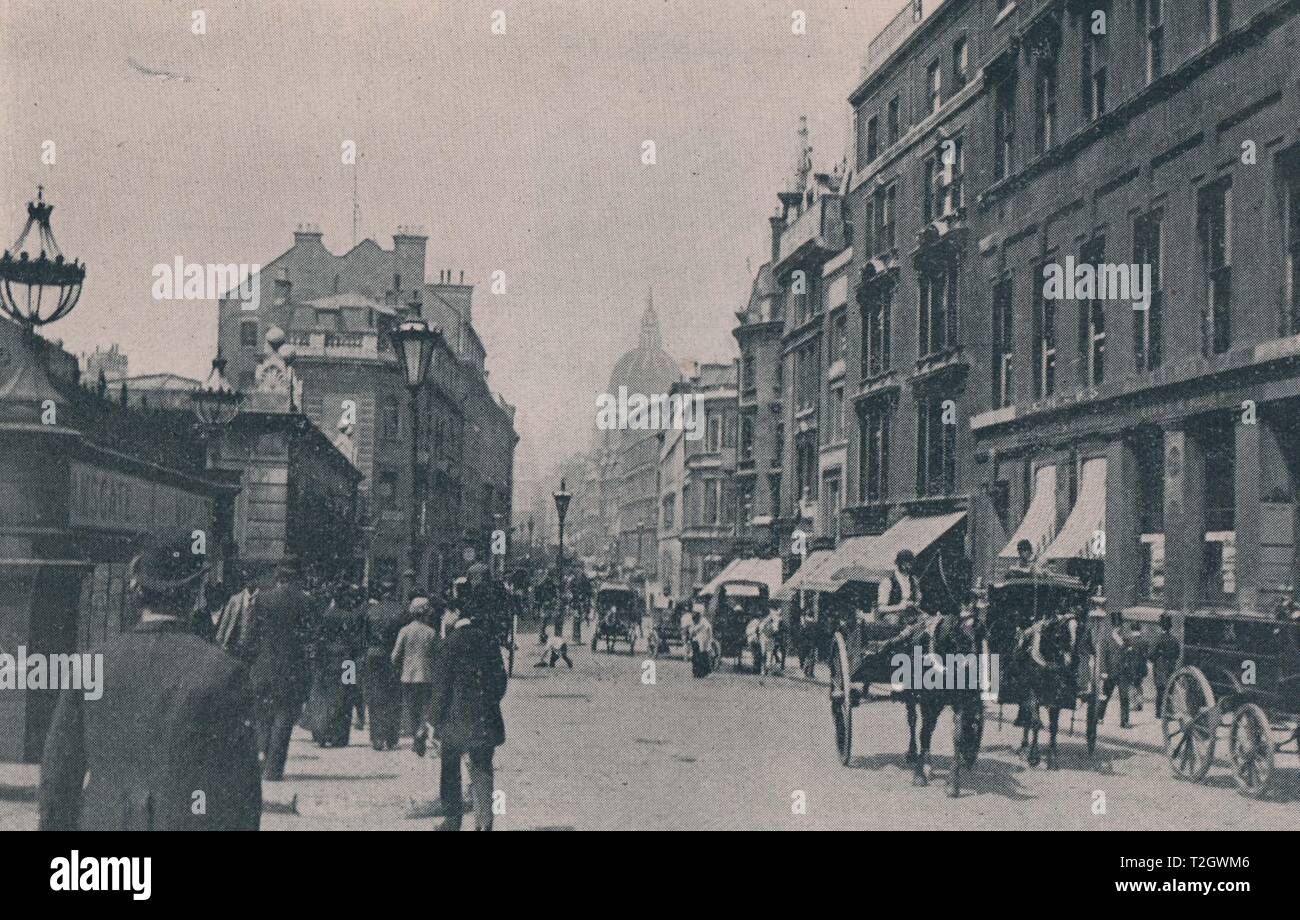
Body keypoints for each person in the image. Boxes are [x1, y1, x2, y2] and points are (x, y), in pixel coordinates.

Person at [40, 533, 261, 830]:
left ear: (136, 588)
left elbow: (58, 779)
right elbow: (241, 790)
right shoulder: (224, 673)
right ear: (195, 592)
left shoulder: (89, 666)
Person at [429, 593, 508, 831]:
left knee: (450, 769)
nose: (443, 617)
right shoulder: (488, 641)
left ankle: (452, 822)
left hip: (456, 720)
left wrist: (433, 720)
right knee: (483, 770)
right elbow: (500, 681)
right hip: (485, 718)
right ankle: (484, 825)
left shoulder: (449, 643)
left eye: (445, 613)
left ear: (455, 612)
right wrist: (488, 703)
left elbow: (441, 688)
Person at [249, 558, 316, 780]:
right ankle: (274, 769)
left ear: (278, 577)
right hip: (291, 668)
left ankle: (261, 759)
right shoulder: (305, 602)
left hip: (264, 666)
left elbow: (251, 635)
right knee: (284, 717)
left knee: (262, 716)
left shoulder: (263, 599)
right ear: (296, 578)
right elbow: (310, 639)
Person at [309, 583, 362, 748]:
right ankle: (340, 736)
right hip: (347, 662)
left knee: (326, 697)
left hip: (328, 660)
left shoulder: (327, 615)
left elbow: (319, 639)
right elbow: (357, 641)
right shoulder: (351, 617)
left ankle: (324, 734)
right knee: (346, 695)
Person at [393, 596, 440, 756]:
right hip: (427, 674)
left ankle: (416, 736)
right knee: (426, 706)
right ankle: (422, 730)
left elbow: (395, 655)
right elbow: (438, 655)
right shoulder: (431, 632)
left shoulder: (404, 631)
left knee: (411, 708)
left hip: (408, 675)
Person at [363, 580, 407, 751]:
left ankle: (377, 737)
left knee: (375, 696)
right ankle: (391, 736)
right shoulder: (401, 611)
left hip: (373, 655)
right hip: (393, 657)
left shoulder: (371, 611)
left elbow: (364, 637)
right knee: (393, 697)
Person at [1148, 613, 1181, 718]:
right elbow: (1177, 654)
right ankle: (1168, 711)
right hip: (1171, 667)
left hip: (1160, 667)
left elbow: (1151, 654)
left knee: (1160, 690)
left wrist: (1156, 657)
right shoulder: (1175, 639)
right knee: (1169, 689)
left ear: (1160, 626)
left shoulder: (1158, 639)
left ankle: (1159, 713)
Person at [877, 550, 922, 621]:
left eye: (910, 562)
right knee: (893, 619)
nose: (908, 565)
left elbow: (918, 600)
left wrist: (914, 604)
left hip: (911, 616)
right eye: (905, 562)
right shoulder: (888, 581)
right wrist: (900, 607)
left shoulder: (914, 580)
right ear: (898, 563)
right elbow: (881, 608)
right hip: (893, 616)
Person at [689, 609, 714, 678]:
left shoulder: (704, 622)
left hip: (703, 641)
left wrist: (708, 641)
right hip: (696, 641)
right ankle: (697, 673)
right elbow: (691, 631)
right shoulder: (694, 622)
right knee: (695, 658)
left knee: (703, 657)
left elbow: (708, 631)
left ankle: (705, 672)